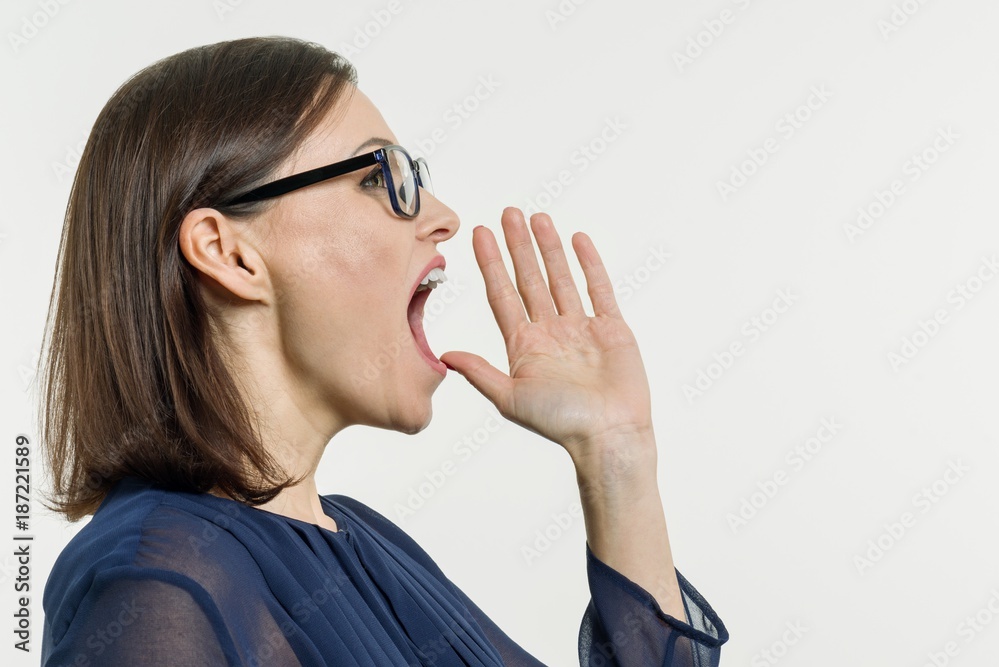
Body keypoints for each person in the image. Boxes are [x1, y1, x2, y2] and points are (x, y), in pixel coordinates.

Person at [37, 36, 729, 666]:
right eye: (383, 177)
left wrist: (617, 455)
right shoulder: (155, 579)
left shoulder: (370, 546)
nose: (441, 213)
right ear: (229, 253)